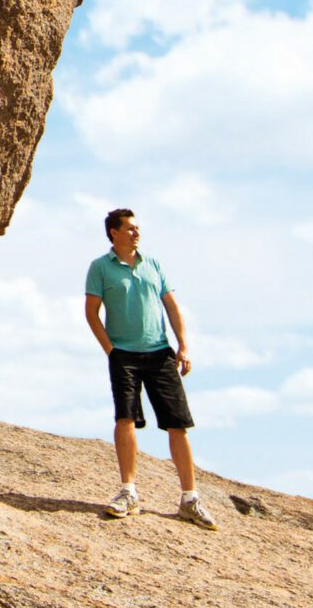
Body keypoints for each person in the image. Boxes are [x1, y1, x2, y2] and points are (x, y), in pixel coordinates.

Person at [84, 207, 217, 527]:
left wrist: (182, 345)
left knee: (178, 424)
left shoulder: (153, 264)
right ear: (113, 232)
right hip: (124, 355)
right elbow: (91, 313)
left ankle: (190, 498)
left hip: (159, 353)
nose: (136, 233)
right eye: (129, 228)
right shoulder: (100, 267)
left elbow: (171, 305)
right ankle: (128, 491)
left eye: (137, 228)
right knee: (125, 418)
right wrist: (111, 350)